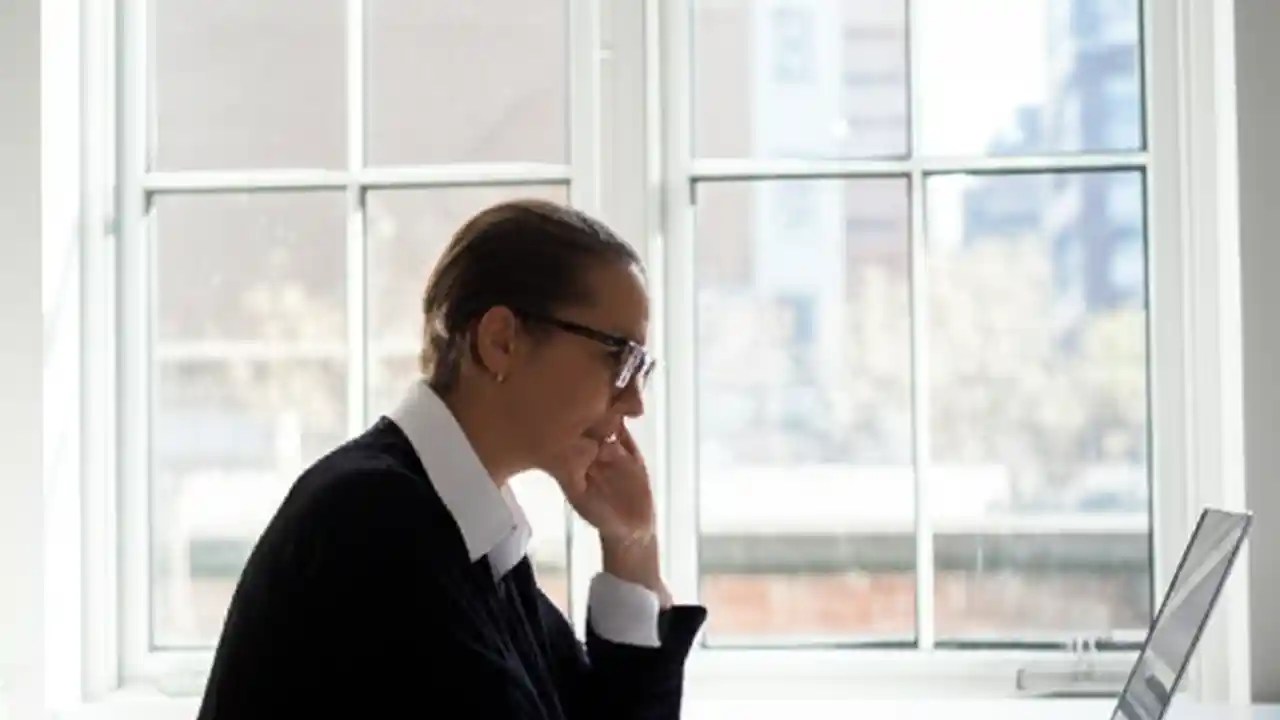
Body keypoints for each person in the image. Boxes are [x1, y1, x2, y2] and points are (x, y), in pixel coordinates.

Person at [196, 199, 707, 719]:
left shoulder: (467, 531)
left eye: (641, 367)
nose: (636, 401)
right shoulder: (374, 522)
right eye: (619, 356)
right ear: (500, 341)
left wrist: (631, 548)